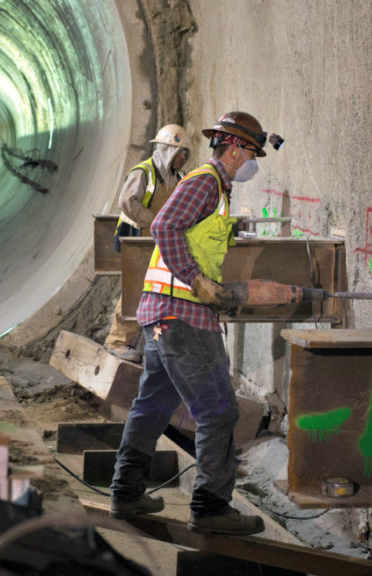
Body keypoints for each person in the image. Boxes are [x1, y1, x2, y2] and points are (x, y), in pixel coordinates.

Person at [109, 112, 269, 536]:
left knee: (153, 406)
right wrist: (197, 279)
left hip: (163, 314)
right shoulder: (206, 181)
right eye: (253, 153)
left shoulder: (215, 189)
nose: (253, 162)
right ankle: (211, 507)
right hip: (183, 315)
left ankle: (126, 492)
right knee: (219, 411)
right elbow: (163, 224)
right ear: (235, 149)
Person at [106, 124, 190, 363]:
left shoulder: (179, 177)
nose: (183, 158)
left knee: (161, 292)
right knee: (134, 290)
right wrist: (156, 222)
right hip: (138, 241)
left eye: (185, 153)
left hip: (161, 242)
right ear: (168, 151)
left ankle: (158, 342)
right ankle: (118, 342)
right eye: (180, 153)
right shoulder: (143, 173)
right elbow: (127, 202)